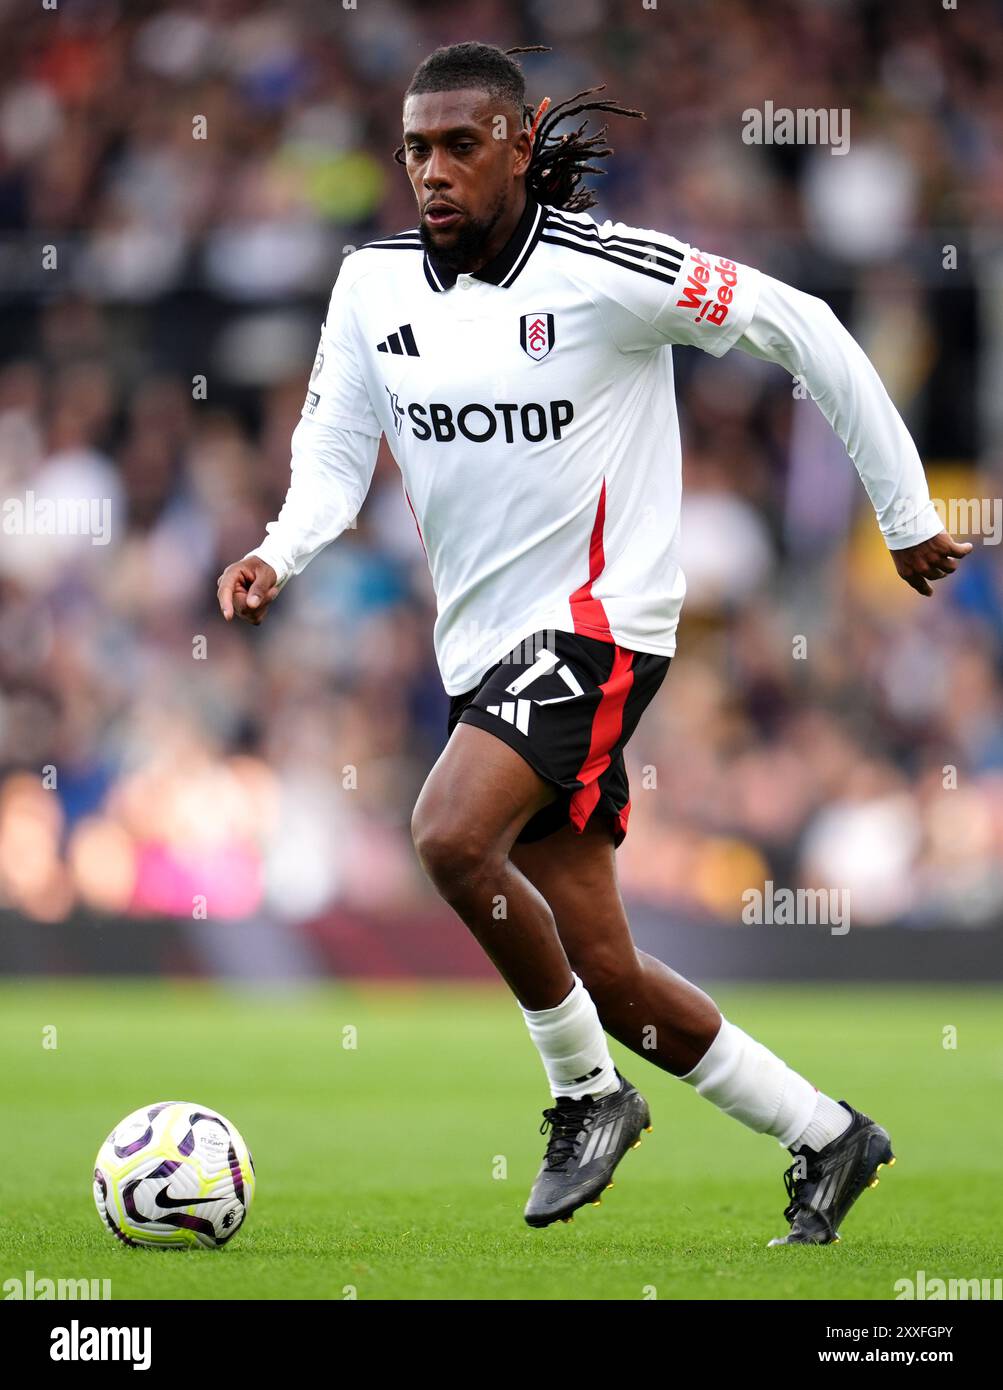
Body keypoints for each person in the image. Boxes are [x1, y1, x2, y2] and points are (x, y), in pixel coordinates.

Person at [217, 42, 970, 1243]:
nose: (431, 170)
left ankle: (584, 1097)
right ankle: (828, 1135)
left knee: (449, 835)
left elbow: (805, 324)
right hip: (482, 654)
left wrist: (906, 513)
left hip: (599, 625)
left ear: (518, 145)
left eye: (460, 143)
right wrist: (279, 551)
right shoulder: (370, 287)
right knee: (606, 975)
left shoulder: (605, 269)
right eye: (415, 147)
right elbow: (334, 452)